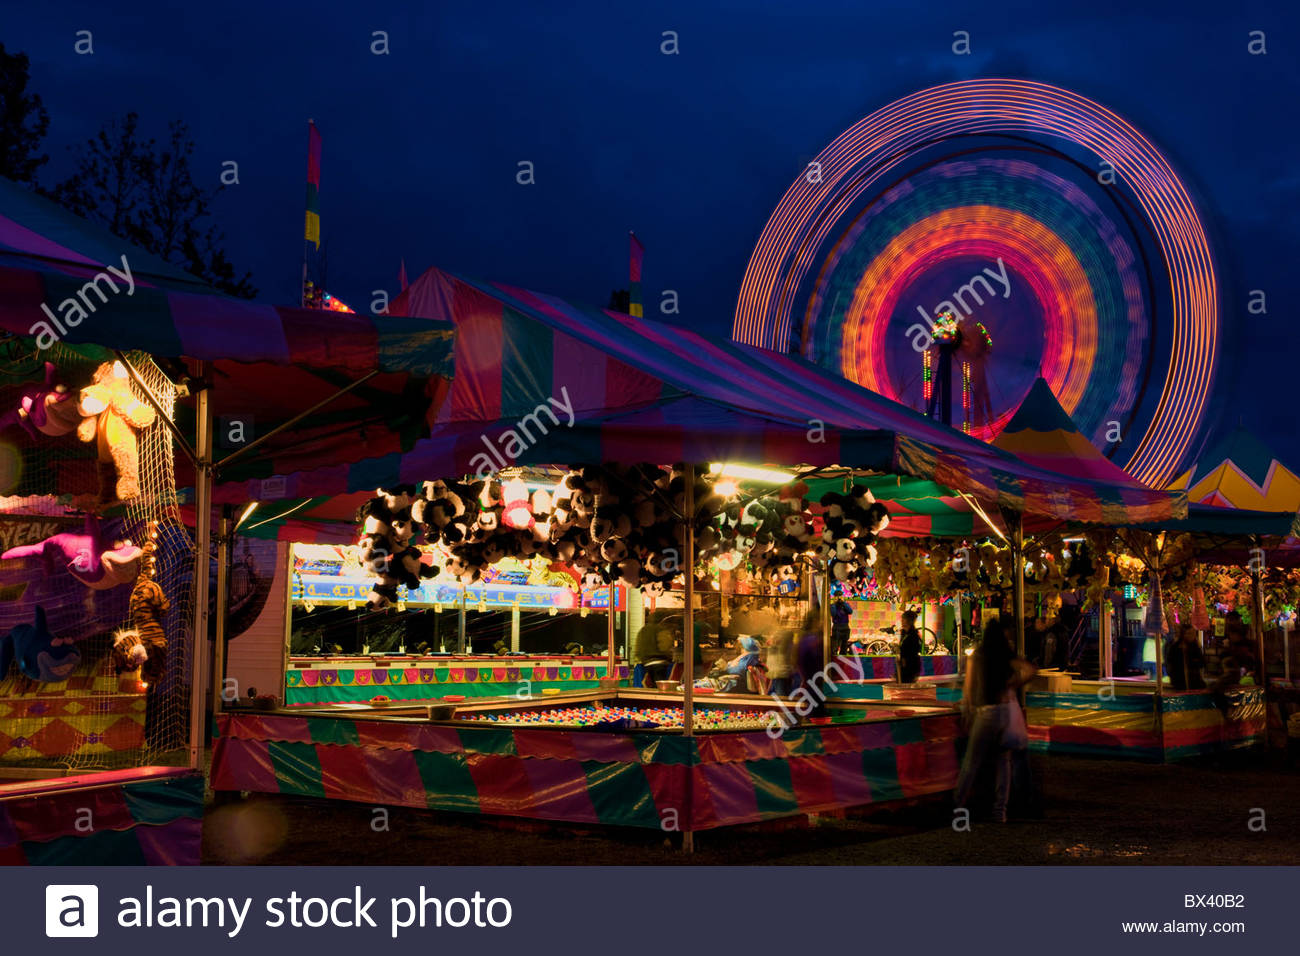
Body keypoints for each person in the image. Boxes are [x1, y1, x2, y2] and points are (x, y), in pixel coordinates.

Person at [954, 620, 1037, 823]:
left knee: (971, 762)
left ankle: (957, 807)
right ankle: (1000, 812)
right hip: (1005, 712)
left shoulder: (978, 655)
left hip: (986, 712)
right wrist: (1013, 684)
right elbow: (1031, 669)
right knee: (1003, 762)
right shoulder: (1005, 654)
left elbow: (968, 686)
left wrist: (967, 708)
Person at [796, 608, 829, 716]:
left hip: (809, 683)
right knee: (816, 714)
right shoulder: (812, 640)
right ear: (815, 621)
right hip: (813, 684)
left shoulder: (804, 639)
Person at [633, 611, 671, 686]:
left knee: (651, 686)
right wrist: (669, 656)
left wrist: (642, 658)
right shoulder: (660, 629)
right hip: (660, 663)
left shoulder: (643, 630)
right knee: (661, 687)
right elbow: (665, 646)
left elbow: (638, 647)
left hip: (647, 663)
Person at [1165, 623, 1206, 691]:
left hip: (1194, 684)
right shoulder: (1175, 647)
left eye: (1193, 633)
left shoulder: (1195, 647)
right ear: (1183, 635)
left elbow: (1202, 663)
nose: (1193, 636)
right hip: (1180, 683)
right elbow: (1170, 664)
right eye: (1190, 633)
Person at [766, 627, 795, 697]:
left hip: (779, 676)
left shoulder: (782, 650)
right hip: (778, 676)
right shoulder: (781, 649)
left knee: (781, 697)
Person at [898, 609, 923, 684]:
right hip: (903, 666)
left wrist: (904, 659)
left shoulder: (913, 635)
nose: (901, 621)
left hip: (910, 666)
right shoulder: (904, 633)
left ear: (909, 621)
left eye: (903, 619)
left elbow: (914, 650)